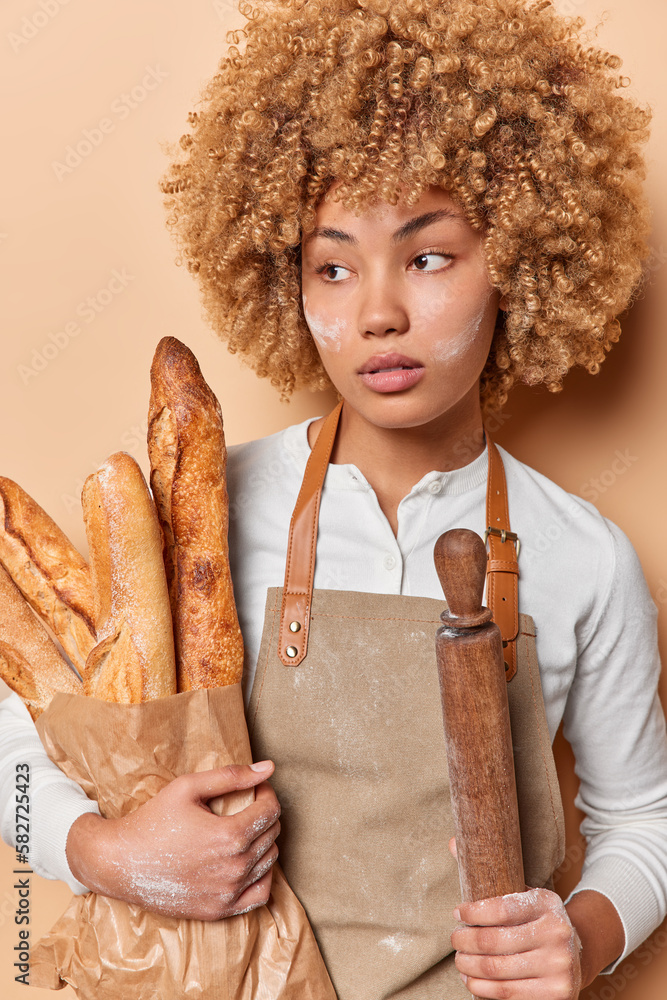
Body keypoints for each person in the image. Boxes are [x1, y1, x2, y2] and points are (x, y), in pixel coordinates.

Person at [2, 1, 667, 997]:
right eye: (333, 265)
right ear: (285, 281)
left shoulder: (584, 556)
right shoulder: (202, 530)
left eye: (428, 255)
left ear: (519, 264)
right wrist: (103, 850)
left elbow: (644, 819)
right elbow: (17, 751)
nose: (378, 312)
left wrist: (581, 936)